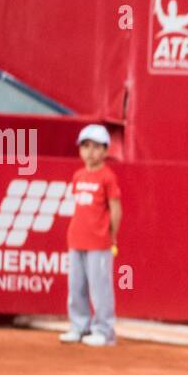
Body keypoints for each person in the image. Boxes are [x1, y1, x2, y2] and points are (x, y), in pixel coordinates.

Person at [59, 124, 122, 348]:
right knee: (76, 287)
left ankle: (104, 331)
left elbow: (115, 208)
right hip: (76, 240)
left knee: (100, 288)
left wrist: (111, 235)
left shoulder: (107, 177)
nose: (90, 152)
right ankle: (79, 326)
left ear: (105, 151)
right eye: (85, 146)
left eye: (96, 147)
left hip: (99, 243)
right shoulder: (78, 176)